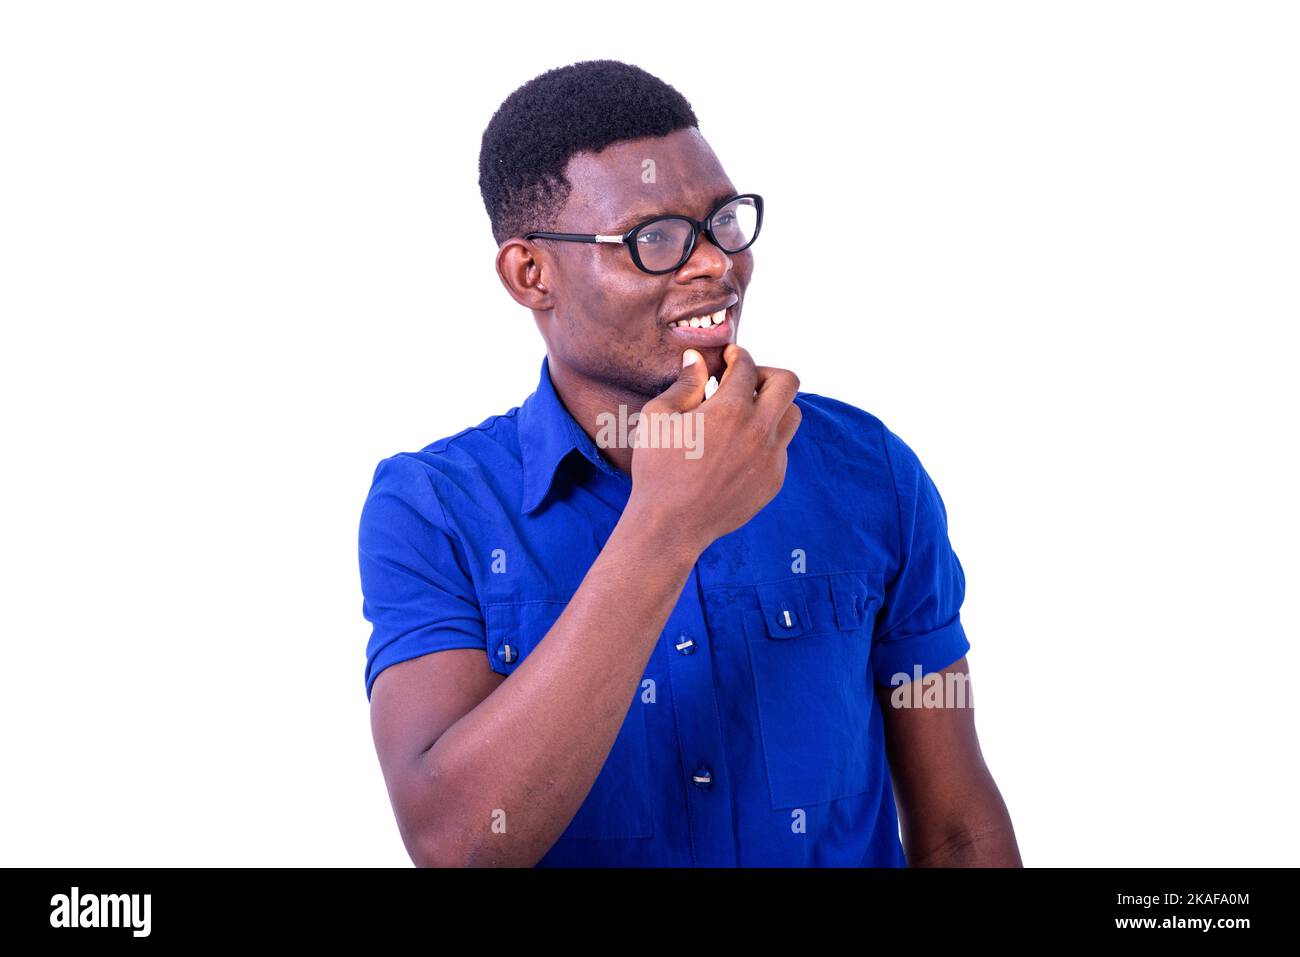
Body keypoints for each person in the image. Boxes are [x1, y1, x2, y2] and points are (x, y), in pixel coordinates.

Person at [358, 59, 1020, 867]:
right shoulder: (433, 508)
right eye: (655, 239)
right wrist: (667, 525)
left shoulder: (869, 472)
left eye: (723, 222)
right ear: (531, 274)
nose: (715, 264)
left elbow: (958, 830)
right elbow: (456, 842)